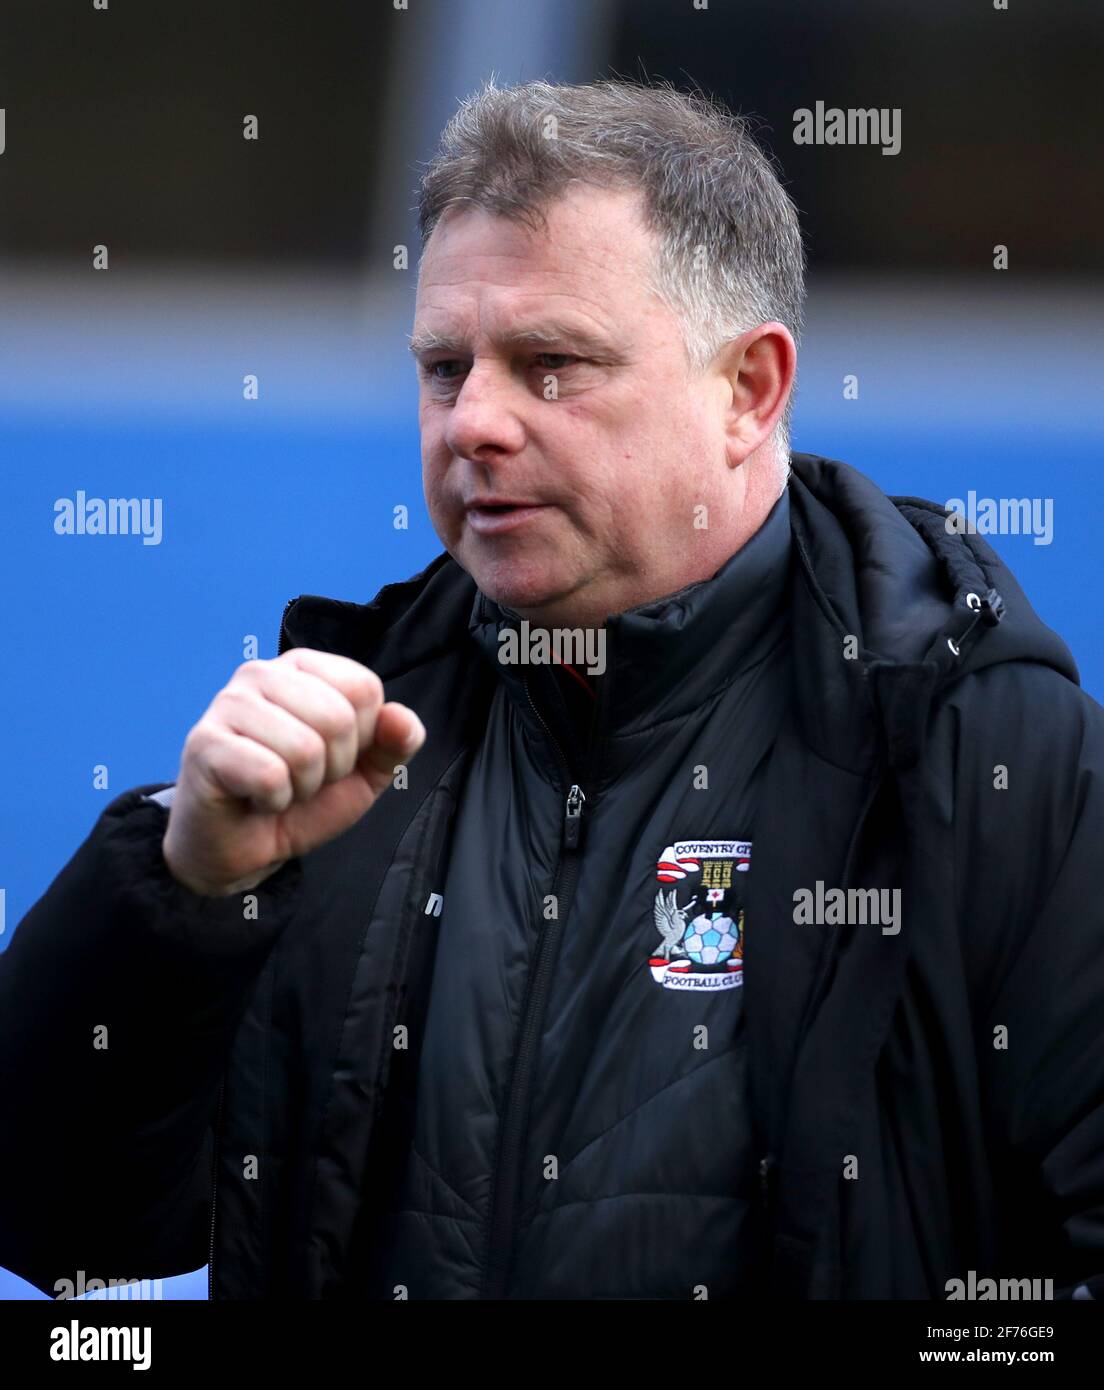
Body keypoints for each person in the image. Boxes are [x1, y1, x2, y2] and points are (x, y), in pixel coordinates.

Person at [2, 77, 1101, 1302]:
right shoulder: (347, 745)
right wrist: (185, 893)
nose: (473, 420)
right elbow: (67, 1234)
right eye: (443, 367)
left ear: (750, 390)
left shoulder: (983, 757)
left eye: (550, 366)